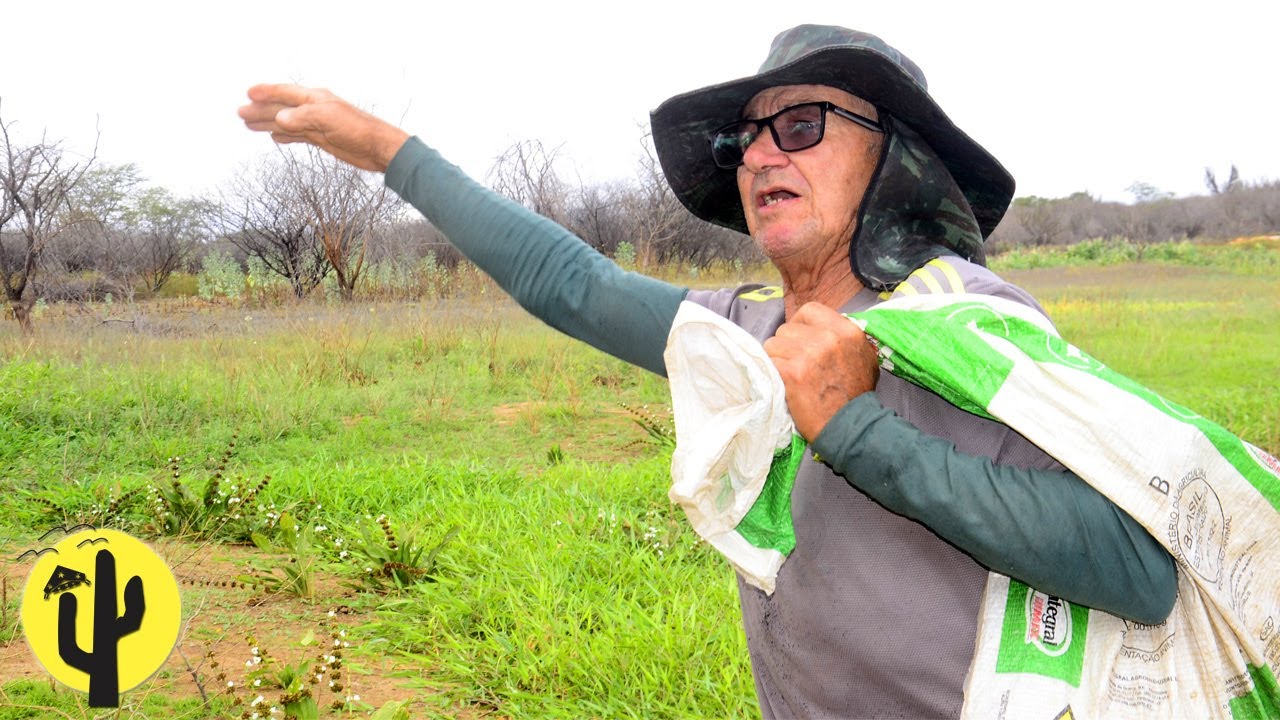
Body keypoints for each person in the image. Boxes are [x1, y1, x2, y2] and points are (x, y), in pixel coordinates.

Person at [241, 24, 1177, 718]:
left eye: (802, 124)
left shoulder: (967, 324)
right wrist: (382, 150)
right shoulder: (743, 334)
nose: (759, 152)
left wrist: (858, 430)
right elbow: (569, 283)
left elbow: (1141, 568)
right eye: (745, 140)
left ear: (894, 153)